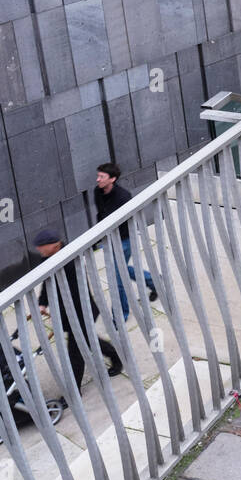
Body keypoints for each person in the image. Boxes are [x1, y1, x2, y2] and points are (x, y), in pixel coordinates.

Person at [33, 230, 123, 403]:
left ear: (54, 245)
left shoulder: (70, 261)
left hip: (80, 312)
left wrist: (64, 314)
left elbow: (76, 293)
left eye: (41, 246)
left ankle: (74, 393)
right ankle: (115, 355)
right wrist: (43, 302)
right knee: (88, 341)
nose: (39, 249)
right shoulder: (49, 260)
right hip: (68, 313)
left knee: (76, 351)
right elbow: (48, 284)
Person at [94, 162, 158, 319]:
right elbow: (101, 214)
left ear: (112, 179)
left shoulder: (123, 197)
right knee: (121, 271)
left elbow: (125, 222)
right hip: (108, 240)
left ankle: (121, 314)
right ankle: (154, 281)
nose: (98, 179)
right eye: (98, 176)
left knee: (117, 278)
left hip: (124, 240)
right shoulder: (97, 191)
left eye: (102, 177)